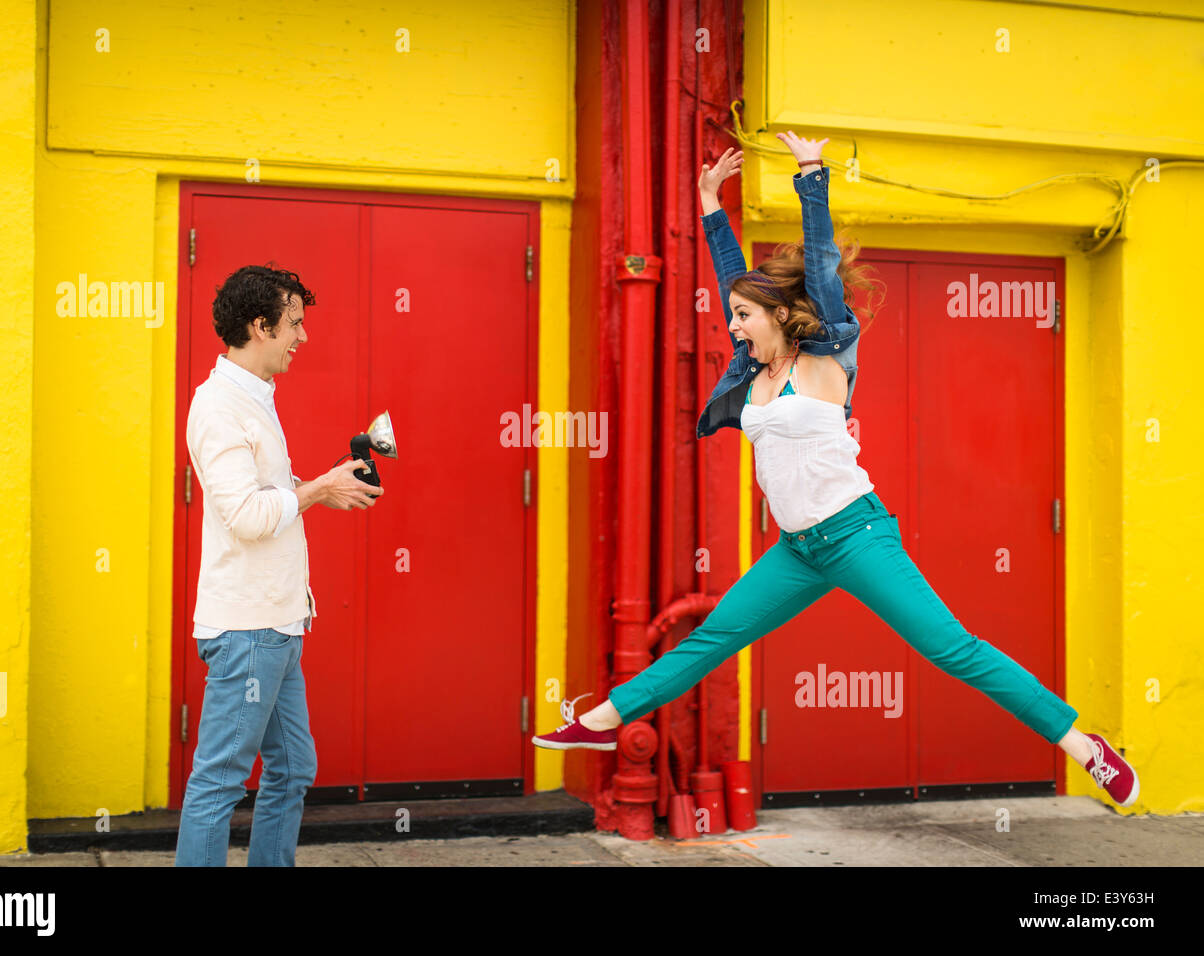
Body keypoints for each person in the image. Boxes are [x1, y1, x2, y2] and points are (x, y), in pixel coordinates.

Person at [533, 133, 1139, 809]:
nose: (732, 327)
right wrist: (709, 204)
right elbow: (733, 277)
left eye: (743, 318)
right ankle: (601, 721)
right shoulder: (750, 373)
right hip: (797, 551)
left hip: (858, 537)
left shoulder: (827, 364)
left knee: (953, 649)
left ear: (785, 318)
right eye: (732, 316)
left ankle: (1087, 749)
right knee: (712, 640)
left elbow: (819, 271)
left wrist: (810, 175)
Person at [175, 265, 385, 866]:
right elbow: (243, 514)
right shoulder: (219, 407)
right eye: (294, 323)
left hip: (278, 624)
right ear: (259, 325)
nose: (303, 336)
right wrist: (317, 489)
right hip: (248, 628)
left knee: (293, 768)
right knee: (219, 780)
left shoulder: (252, 399)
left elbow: (263, 492)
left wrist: (325, 487)